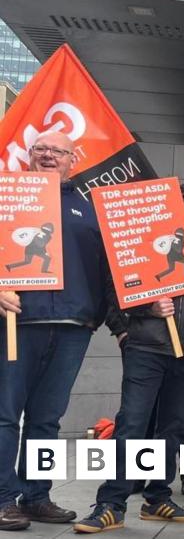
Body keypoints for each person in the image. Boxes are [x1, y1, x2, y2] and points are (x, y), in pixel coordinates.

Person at [75, 183, 184, 533]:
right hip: (146, 348)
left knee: (173, 427)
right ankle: (111, 503)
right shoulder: (145, 240)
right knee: (132, 424)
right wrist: (144, 310)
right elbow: (117, 289)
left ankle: (158, 497)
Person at [0, 132, 120, 531]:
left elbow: (108, 269)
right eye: (41, 149)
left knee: (47, 419)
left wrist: (106, 320)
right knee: (5, 415)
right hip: (17, 321)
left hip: (73, 326)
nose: (49, 155)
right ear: (29, 155)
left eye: (58, 150)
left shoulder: (90, 209)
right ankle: (2, 499)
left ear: (73, 159)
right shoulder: (6, 199)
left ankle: (36, 497)